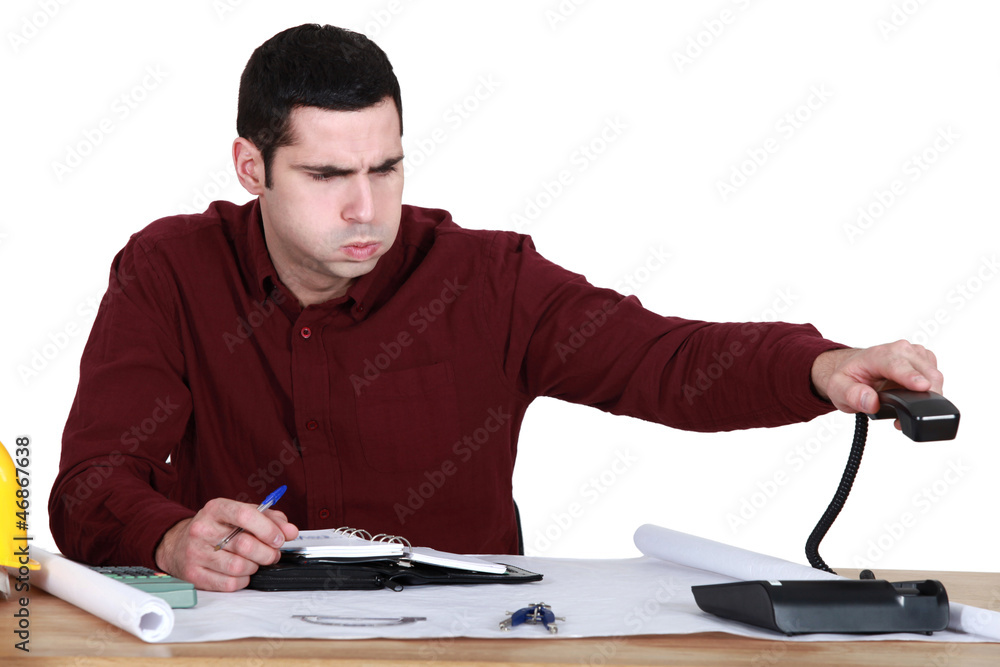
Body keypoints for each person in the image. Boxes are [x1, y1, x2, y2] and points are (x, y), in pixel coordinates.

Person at [48, 24, 943, 592]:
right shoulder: (170, 270)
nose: (365, 208)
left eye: (385, 168)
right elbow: (89, 485)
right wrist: (170, 537)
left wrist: (819, 366)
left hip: (465, 645)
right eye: (326, 175)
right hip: (242, 645)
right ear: (252, 169)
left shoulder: (485, 279)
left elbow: (664, 361)